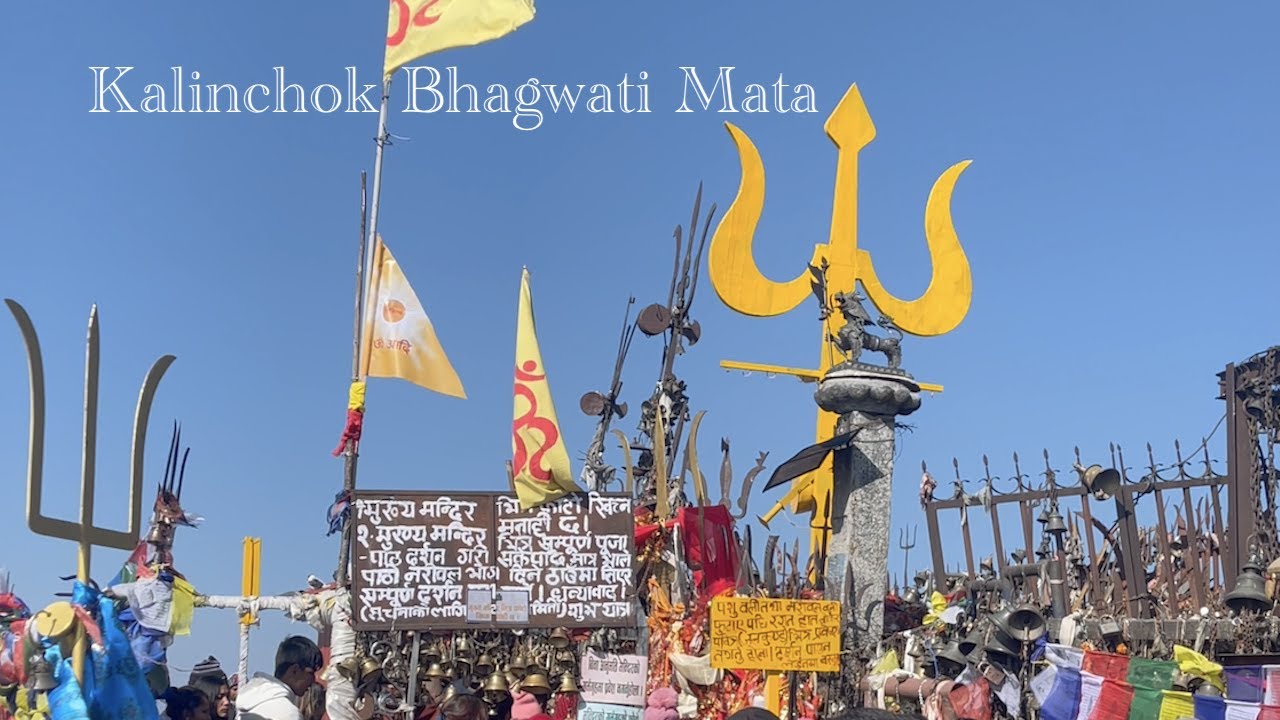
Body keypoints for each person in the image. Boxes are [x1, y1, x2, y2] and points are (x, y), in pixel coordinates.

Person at [235, 636, 323, 720]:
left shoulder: (247, 704)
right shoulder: (287, 713)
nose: (313, 679)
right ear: (294, 670)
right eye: (310, 673)